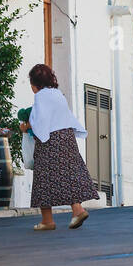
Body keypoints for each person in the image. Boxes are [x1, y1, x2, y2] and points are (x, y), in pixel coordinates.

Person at [18, 64, 98, 231]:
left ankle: (47, 220)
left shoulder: (40, 97)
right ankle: (77, 209)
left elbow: (38, 121)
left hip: (50, 141)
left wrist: (26, 127)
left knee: (43, 178)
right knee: (67, 174)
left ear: (35, 83)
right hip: (67, 138)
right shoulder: (58, 94)